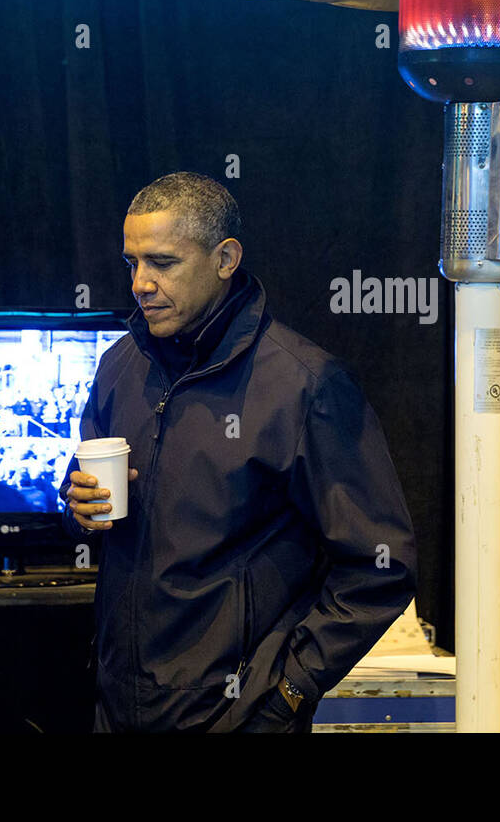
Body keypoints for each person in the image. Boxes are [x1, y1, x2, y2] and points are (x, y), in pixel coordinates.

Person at [58, 171, 418, 733]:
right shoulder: (120, 366)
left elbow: (381, 567)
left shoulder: (305, 384)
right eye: (132, 263)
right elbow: (85, 504)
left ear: (225, 259)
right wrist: (78, 508)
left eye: (162, 262)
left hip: (237, 717)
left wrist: (287, 695)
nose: (140, 283)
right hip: (119, 707)